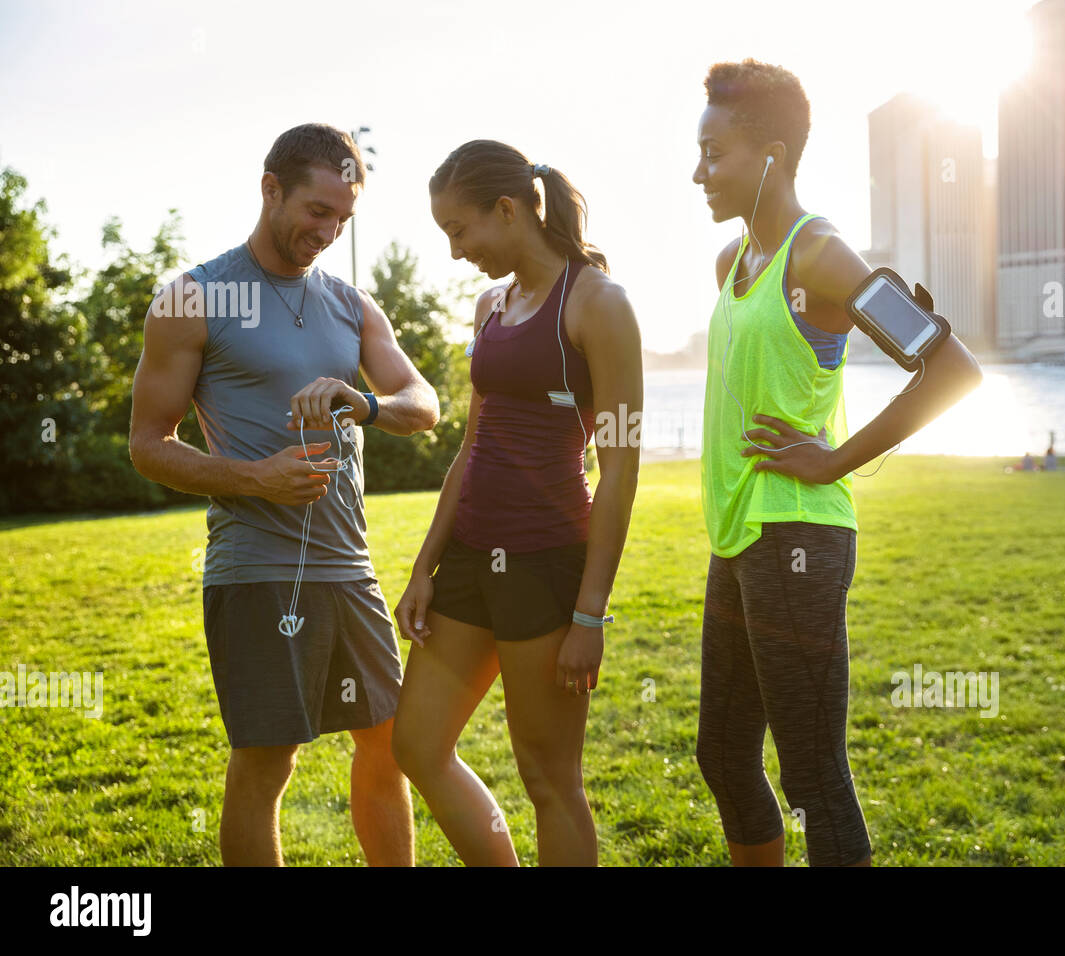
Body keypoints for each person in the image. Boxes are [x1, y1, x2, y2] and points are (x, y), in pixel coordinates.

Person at [692, 59, 983, 867]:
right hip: (738, 538)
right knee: (721, 757)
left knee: (814, 778)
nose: (698, 173)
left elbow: (952, 369)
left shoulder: (819, 254)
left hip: (798, 539)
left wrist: (835, 461)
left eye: (715, 154)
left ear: (771, 155)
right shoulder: (733, 265)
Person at [129, 123, 440, 866]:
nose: (328, 231)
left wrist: (363, 404)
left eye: (342, 218)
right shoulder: (194, 297)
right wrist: (255, 477)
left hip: (350, 568)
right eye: (316, 211)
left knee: (389, 746)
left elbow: (423, 403)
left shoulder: (350, 305)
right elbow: (147, 446)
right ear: (270, 189)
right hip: (259, 569)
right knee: (269, 764)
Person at [391, 140, 642, 866]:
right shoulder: (491, 305)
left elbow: (620, 466)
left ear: (508, 210)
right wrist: (426, 565)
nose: (454, 250)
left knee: (548, 777)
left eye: (460, 231)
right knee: (418, 743)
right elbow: (472, 444)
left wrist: (590, 613)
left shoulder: (599, 304)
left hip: (546, 562)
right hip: (470, 556)